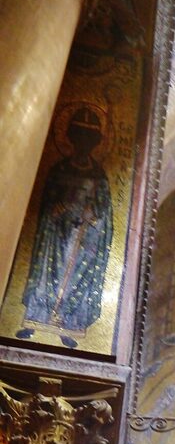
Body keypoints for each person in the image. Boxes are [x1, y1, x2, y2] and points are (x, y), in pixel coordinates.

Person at [18, 106, 113, 348]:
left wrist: (93, 216)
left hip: (83, 239)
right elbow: (44, 204)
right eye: (79, 137)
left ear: (94, 143)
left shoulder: (99, 176)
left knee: (76, 280)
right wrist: (55, 208)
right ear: (71, 137)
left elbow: (105, 214)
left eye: (88, 140)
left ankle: (68, 326)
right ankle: (34, 321)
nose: (83, 144)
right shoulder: (58, 169)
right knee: (47, 274)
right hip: (55, 237)